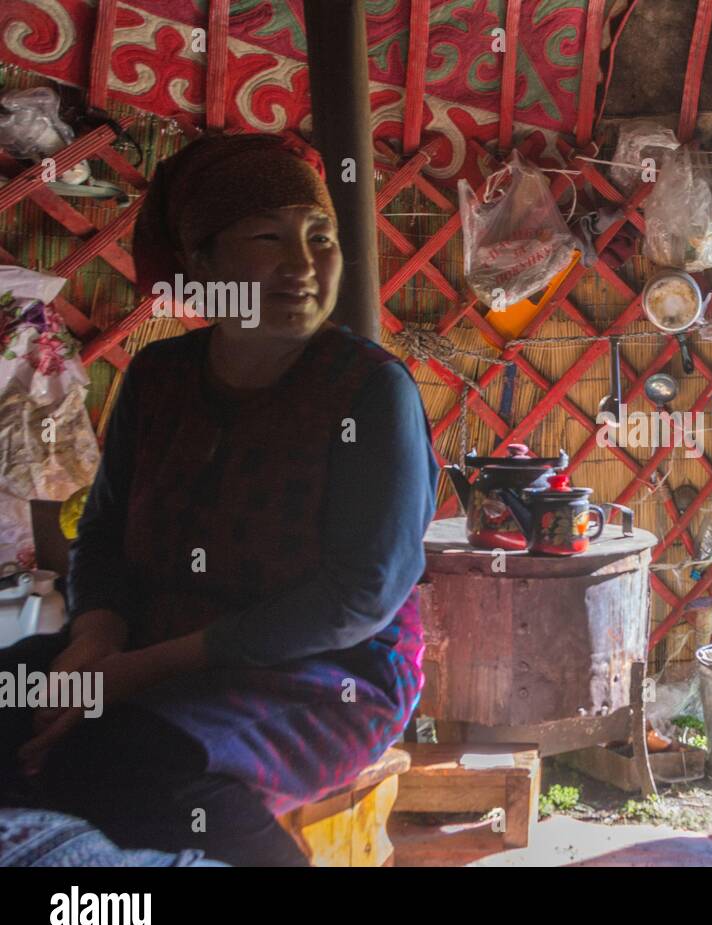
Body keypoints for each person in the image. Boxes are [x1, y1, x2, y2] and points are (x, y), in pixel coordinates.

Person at [0, 131, 437, 866]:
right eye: (269, 237)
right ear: (202, 263)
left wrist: (135, 673)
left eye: (321, 236)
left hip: (326, 673)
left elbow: (360, 595)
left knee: (129, 758)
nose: (303, 265)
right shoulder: (159, 377)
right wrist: (96, 638)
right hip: (147, 637)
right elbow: (104, 533)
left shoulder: (368, 389)